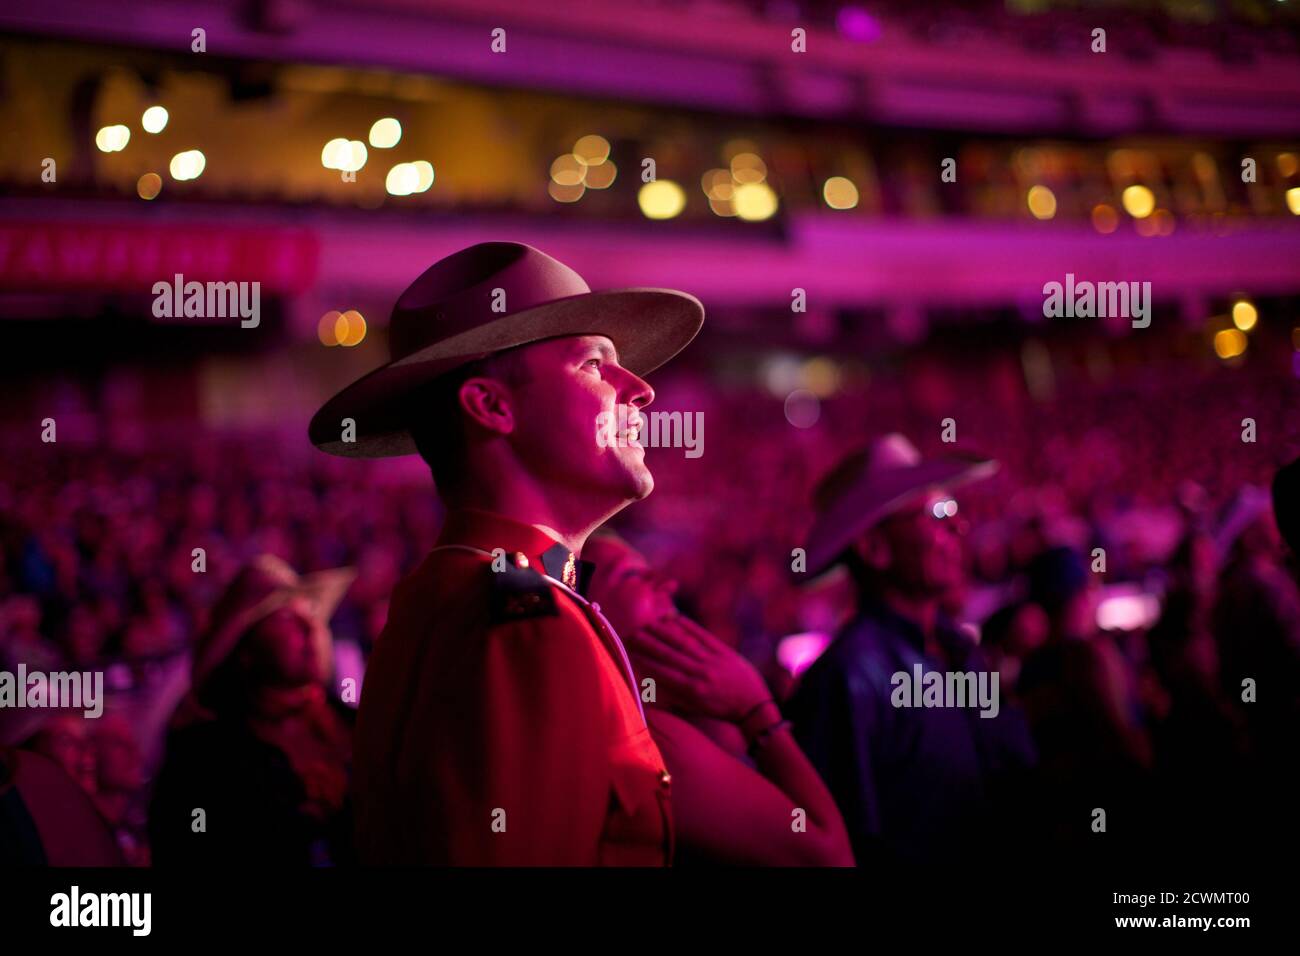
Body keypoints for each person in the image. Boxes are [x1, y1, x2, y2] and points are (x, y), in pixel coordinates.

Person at [309, 241, 704, 865]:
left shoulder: (458, 593)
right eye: (594, 364)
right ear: (492, 406)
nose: (641, 391)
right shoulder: (524, 624)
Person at [785, 434, 1036, 867]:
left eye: (952, 509)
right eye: (936, 513)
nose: (957, 527)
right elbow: (853, 841)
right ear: (875, 549)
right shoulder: (846, 679)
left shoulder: (958, 649)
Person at [584, 531, 853, 866]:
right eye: (631, 575)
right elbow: (830, 856)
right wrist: (758, 710)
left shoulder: (636, 719)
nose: (667, 584)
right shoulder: (654, 740)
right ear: (589, 615)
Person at [149, 554, 357, 865]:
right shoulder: (204, 758)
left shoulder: (358, 726)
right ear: (245, 650)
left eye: (310, 610)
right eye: (284, 616)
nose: (308, 624)